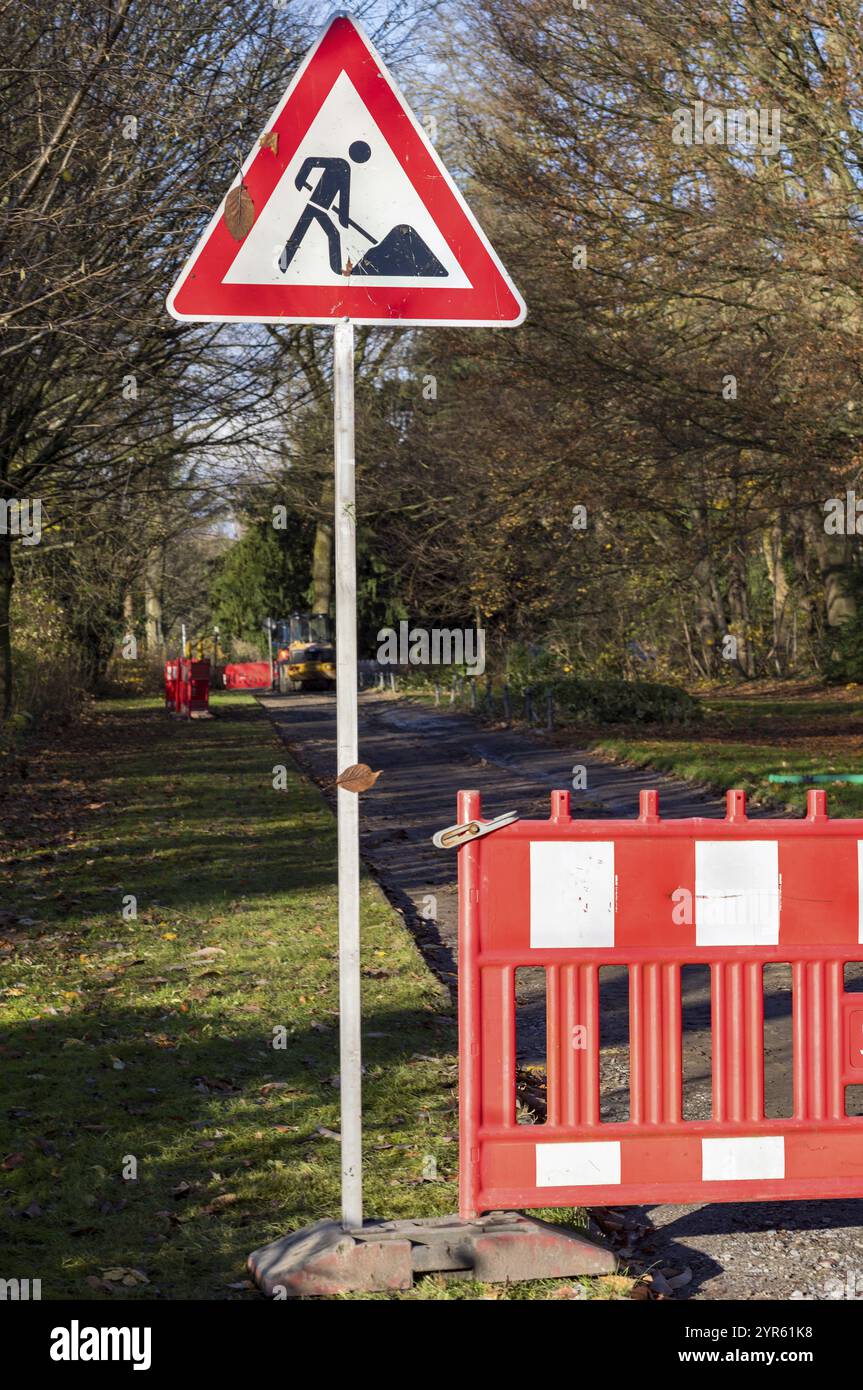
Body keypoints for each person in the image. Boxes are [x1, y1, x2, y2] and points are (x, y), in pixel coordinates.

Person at [279, 140, 371, 274]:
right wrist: (300, 180)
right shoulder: (341, 165)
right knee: (324, 234)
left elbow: (344, 197)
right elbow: (310, 162)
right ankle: (283, 265)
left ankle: (283, 264)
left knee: (308, 233)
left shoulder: (344, 167)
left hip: (319, 208)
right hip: (315, 205)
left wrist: (343, 218)